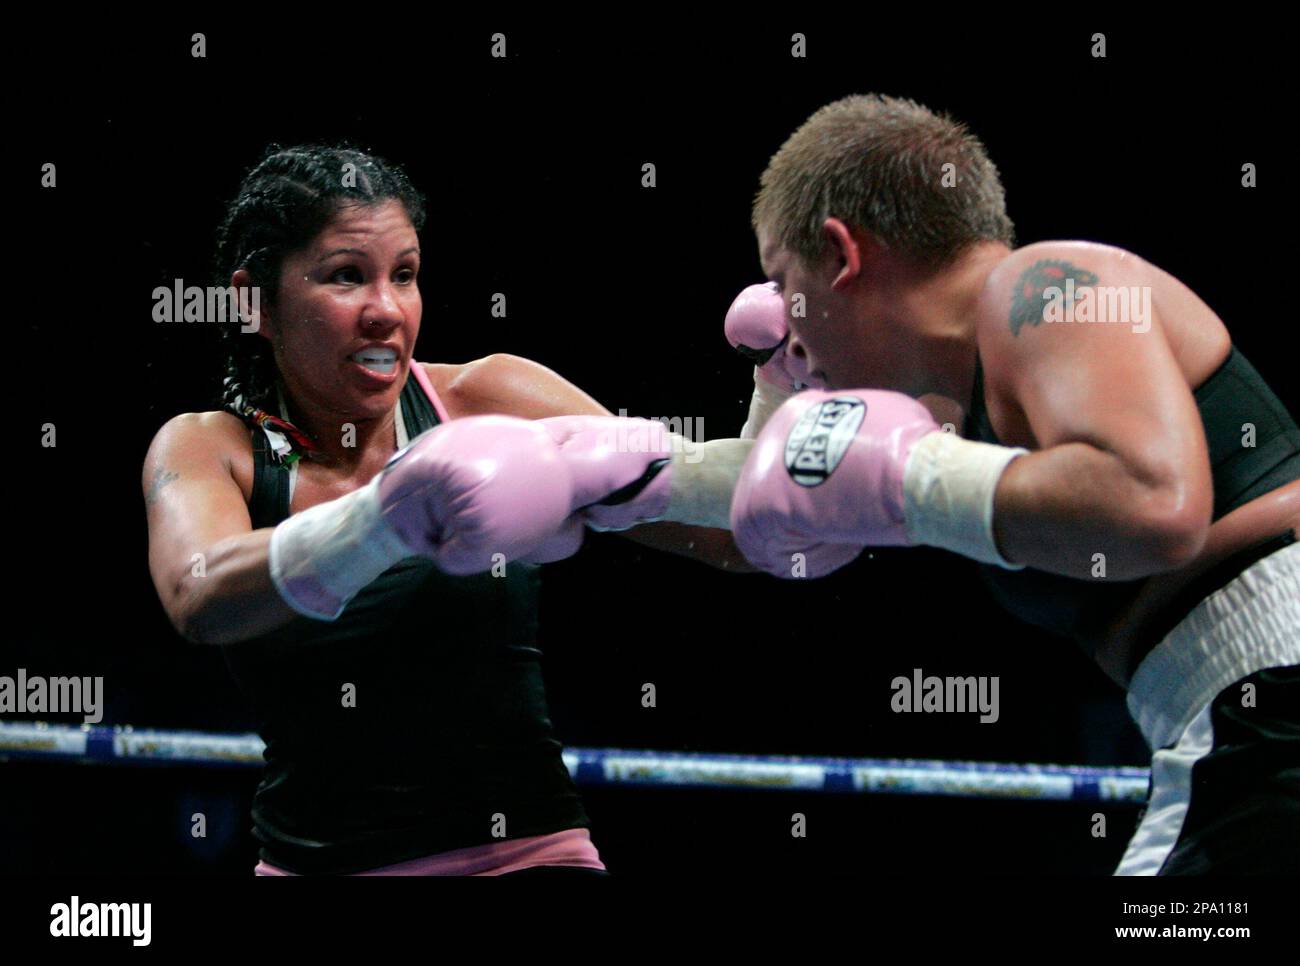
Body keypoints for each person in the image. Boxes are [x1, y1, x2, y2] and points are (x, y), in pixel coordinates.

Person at [720, 95, 1300, 875]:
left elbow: (1152, 503)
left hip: (1273, 684)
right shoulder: (958, 425)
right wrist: (594, 470)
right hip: (1227, 710)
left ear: (840, 253)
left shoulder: (1043, 288)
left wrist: (913, 479)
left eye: (781, 280)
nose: (788, 337)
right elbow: (741, 532)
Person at [141, 144, 746, 876]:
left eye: (405, 275)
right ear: (255, 302)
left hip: (527, 857)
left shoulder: (490, 398)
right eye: (346, 277)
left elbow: (735, 536)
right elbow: (197, 595)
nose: (386, 311)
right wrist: (385, 516)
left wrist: (791, 413)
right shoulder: (214, 447)